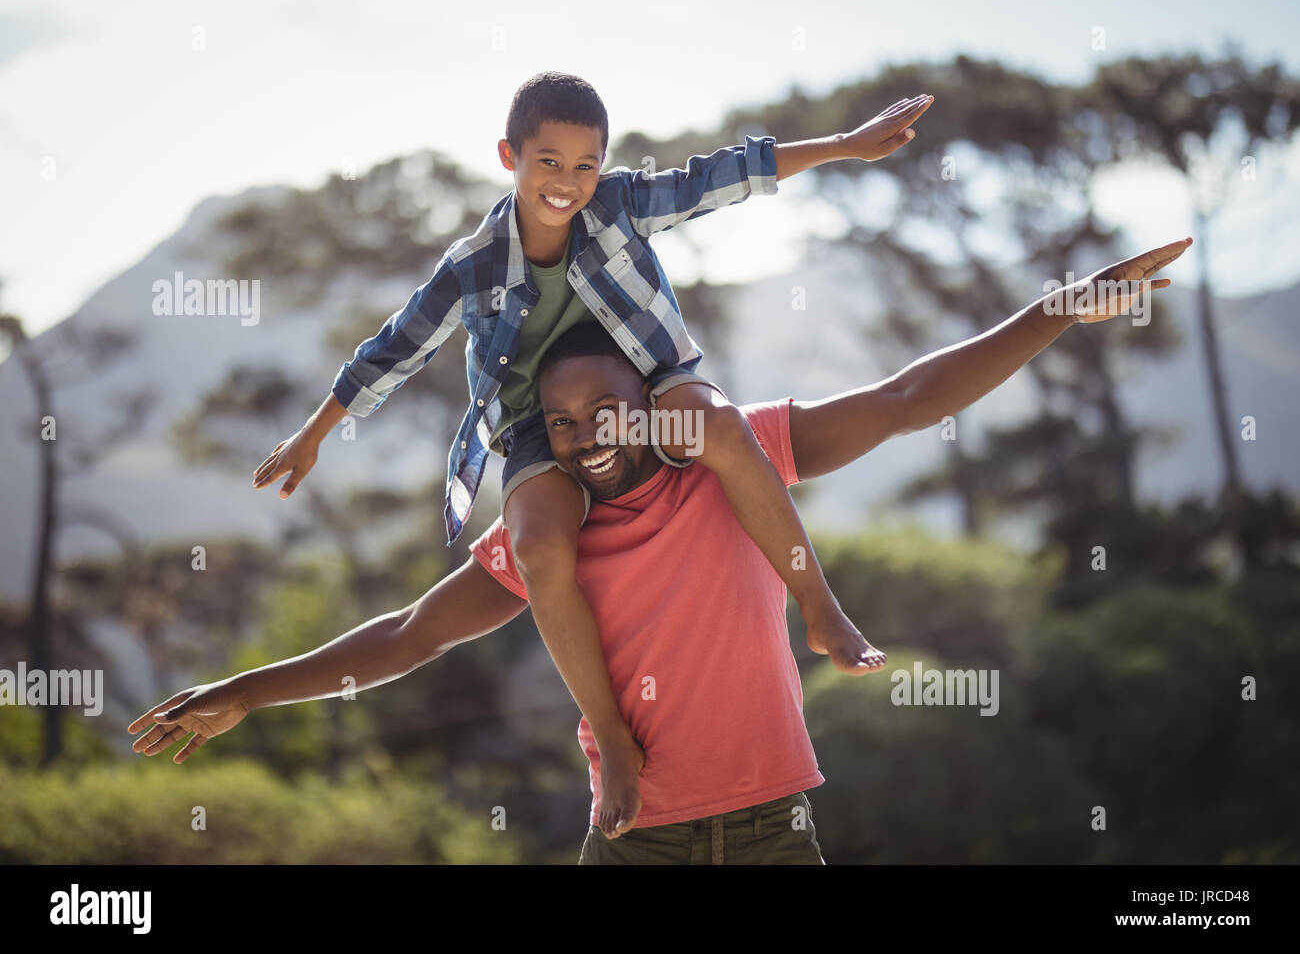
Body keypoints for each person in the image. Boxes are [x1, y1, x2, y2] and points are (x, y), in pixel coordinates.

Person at [131, 236, 1191, 863]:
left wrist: (1064, 304)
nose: (587, 428)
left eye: (608, 406)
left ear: (655, 405)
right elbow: (408, 636)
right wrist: (245, 690)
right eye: (561, 420)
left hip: (776, 832)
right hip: (637, 838)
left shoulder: (739, 462)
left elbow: (909, 398)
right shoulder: (544, 539)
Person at [247, 71, 937, 836]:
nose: (566, 184)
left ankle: (821, 608)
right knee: (540, 546)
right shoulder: (472, 266)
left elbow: (716, 179)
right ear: (510, 155)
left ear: (602, 167)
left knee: (725, 431)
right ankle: (612, 737)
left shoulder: (616, 206)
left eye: (584, 166)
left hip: (645, 385)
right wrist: (313, 434)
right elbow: (393, 349)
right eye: (548, 163)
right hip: (542, 427)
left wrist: (843, 146)